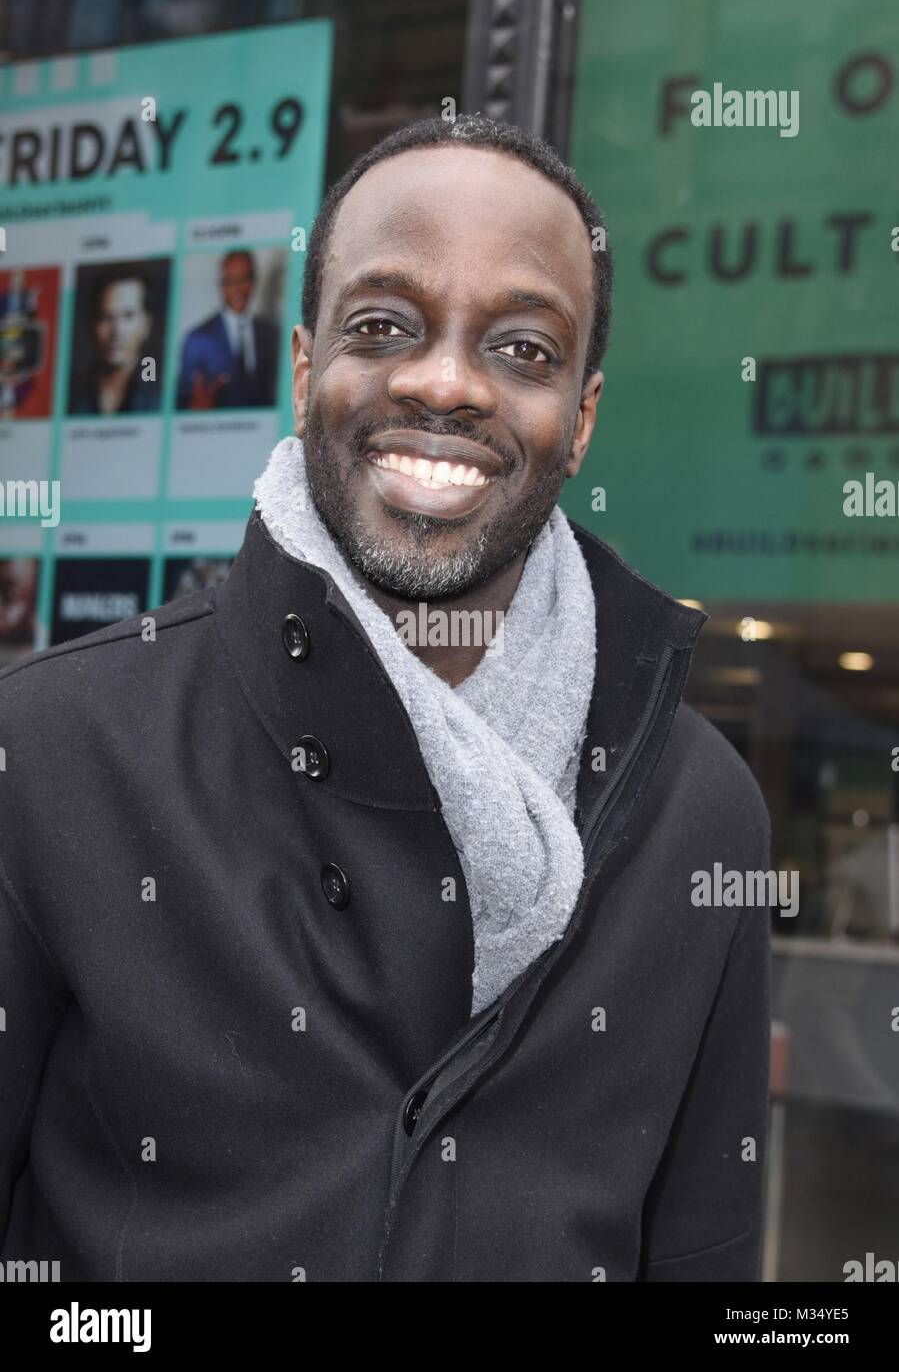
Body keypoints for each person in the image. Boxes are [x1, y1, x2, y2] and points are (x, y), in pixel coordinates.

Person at [0, 115, 771, 1283]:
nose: (445, 382)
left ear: (584, 417)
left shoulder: (699, 811)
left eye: (520, 348)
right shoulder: (55, 747)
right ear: (307, 369)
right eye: (383, 326)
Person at [176, 249, 279, 410]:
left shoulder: (271, 334)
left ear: (253, 283)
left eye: (243, 280)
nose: (237, 289)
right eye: (229, 281)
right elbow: (181, 401)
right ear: (221, 285)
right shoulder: (197, 339)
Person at [67, 267, 159, 415]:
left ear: (146, 325)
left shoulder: (158, 395)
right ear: (93, 324)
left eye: (128, 316)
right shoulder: (69, 391)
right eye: (106, 317)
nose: (117, 332)